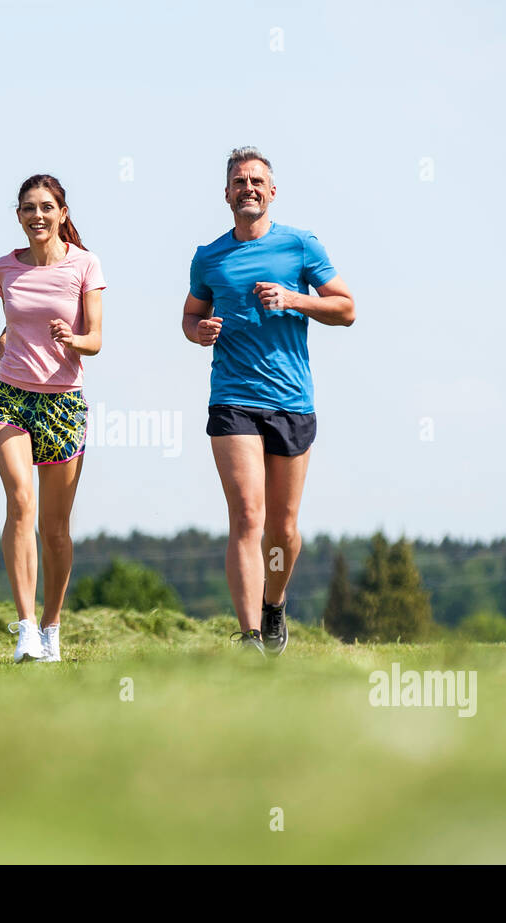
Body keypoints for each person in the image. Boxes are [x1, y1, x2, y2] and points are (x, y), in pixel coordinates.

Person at [181, 147, 355, 656]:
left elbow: (346, 309)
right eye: (239, 181)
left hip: (291, 399)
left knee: (282, 527)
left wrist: (294, 298)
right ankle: (249, 637)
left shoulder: (301, 246)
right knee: (247, 517)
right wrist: (200, 332)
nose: (248, 188)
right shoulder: (208, 256)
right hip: (232, 398)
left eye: (257, 180)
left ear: (272, 191)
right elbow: (190, 316)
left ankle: (274, 604)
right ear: (227, 194)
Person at [0, 174, 105, 663]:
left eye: (47, 207)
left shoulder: (84, 264)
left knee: (55, 527)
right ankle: (25, 626)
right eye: (29, 208)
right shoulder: (5, 268)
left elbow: (97, 340)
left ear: (62, 213)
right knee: (20, 504)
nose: (38, 216)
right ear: (19, 215)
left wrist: (72, 338)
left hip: (63, 403)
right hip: (10, 396)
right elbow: (12, 330)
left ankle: (51, 626)